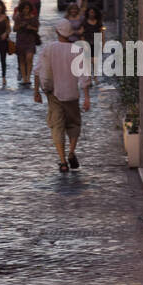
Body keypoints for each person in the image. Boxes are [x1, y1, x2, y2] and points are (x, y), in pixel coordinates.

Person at [33, 18, 92, 172]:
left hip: (53, 93)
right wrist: (86, 97)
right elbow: (84, 75)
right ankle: (72, 152)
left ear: (57, 32)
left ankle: (62, 160)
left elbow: (38, 70)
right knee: (74, 124)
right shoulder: (77, 50)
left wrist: (36, 92)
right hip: (71, 93)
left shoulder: (49, 48)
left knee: (57, 126)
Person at [12, 0, 39, 86]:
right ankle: (24, 78)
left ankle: (28, 77)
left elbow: (36, 29)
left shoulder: (33, 18)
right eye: (24, 8)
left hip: (30, 40)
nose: (25, 10)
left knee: (29, 58)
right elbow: (14, 29)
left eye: (27, 8)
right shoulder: (18, 17)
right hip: (20, 40)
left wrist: (30, 27)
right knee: (22, 60)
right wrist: (20, 26)